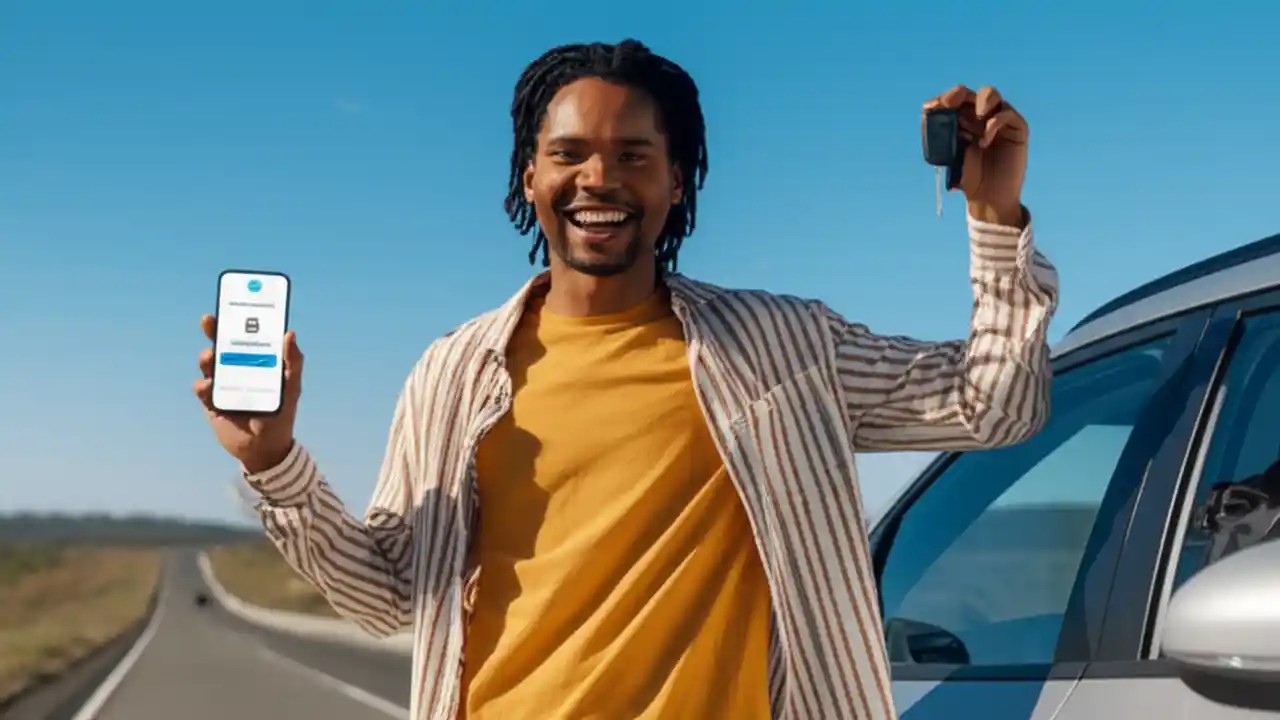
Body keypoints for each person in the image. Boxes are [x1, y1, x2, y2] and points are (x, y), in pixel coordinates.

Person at [194, 38, 1059, 720]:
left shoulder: (786, 349)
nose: (599, 178)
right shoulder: (454, 374)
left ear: (677, 181)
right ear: (529, 176)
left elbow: (997, 403)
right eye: (568, 153)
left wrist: (992, 220)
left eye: (633, 155)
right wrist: (273, 462)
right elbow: (388, 597)